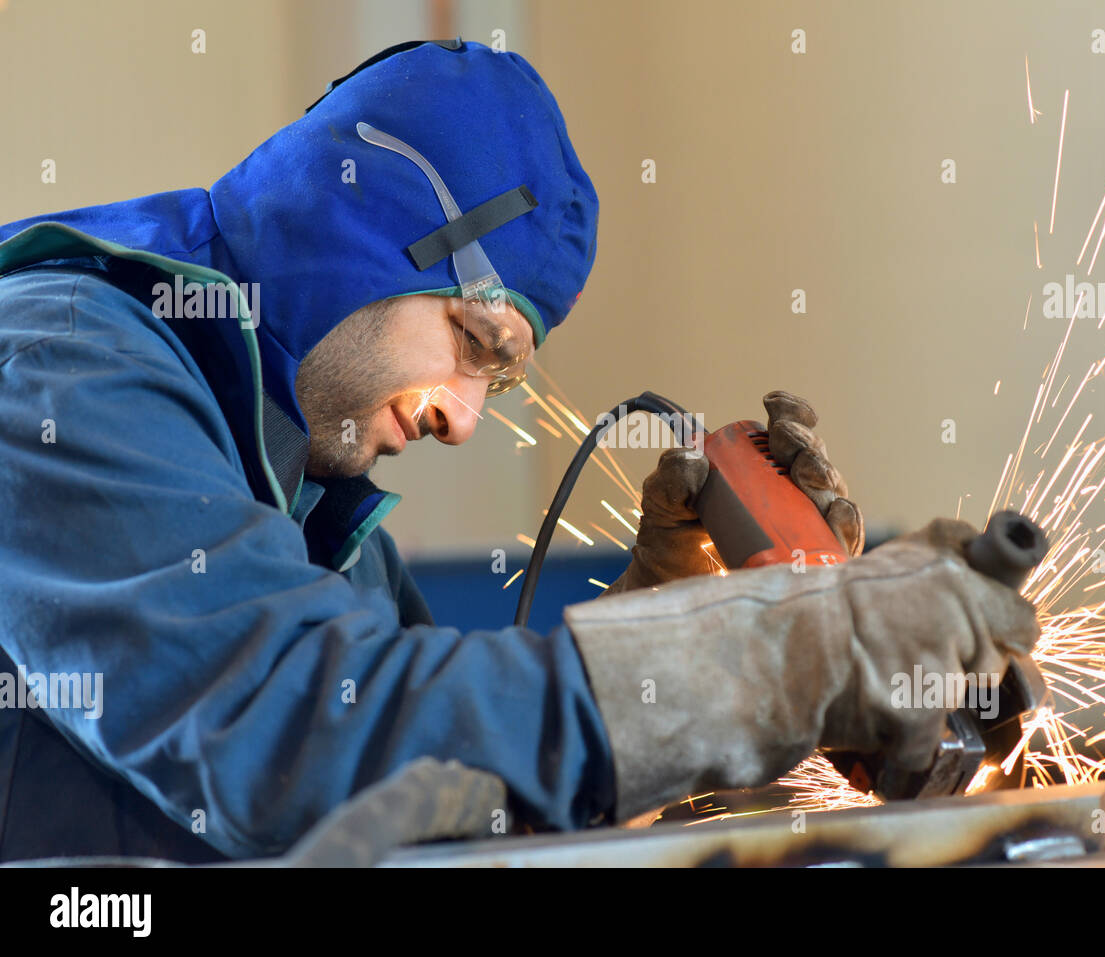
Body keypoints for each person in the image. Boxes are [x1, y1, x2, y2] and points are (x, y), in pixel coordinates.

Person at [0, 39, 1038, 863]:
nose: (461, 417)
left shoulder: (306, 492)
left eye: (495, 381)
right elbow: (288, 734)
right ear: (359, 229)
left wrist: (678, 614)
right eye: (472, 345)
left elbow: (447, 792)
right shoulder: (63, 366)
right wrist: (776, 659)